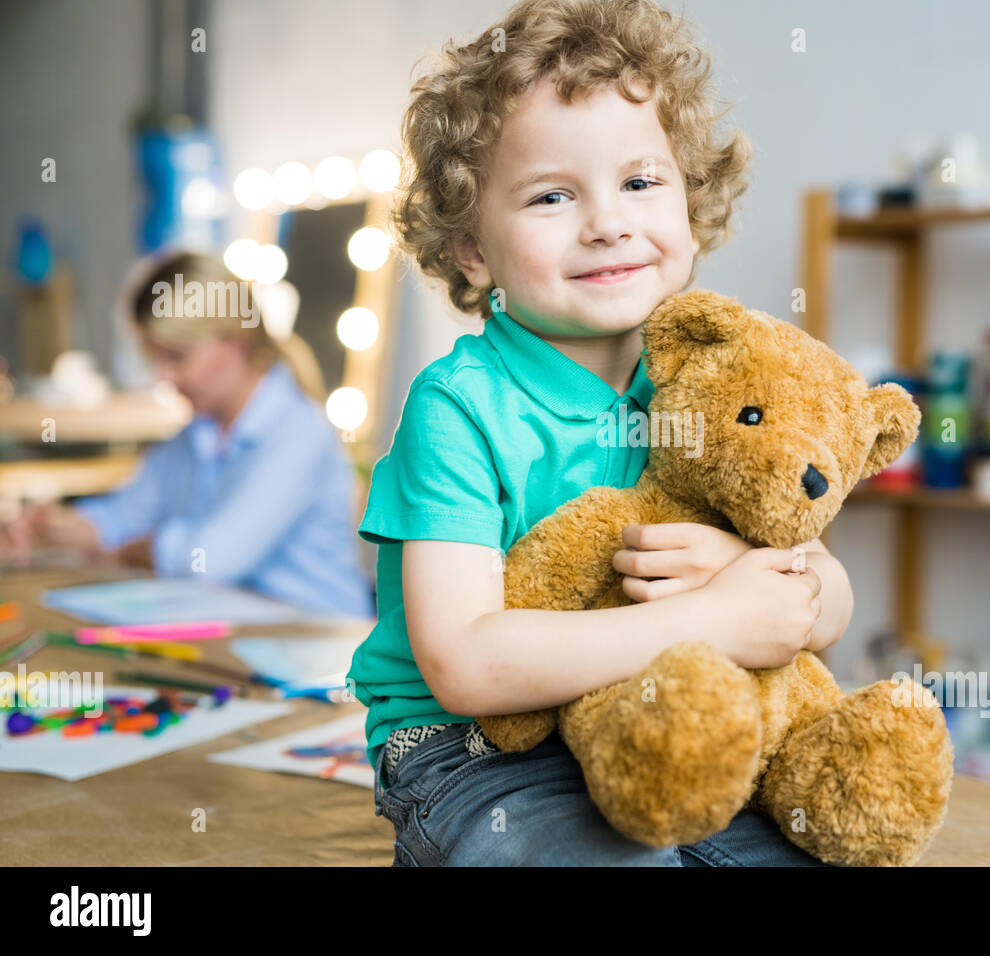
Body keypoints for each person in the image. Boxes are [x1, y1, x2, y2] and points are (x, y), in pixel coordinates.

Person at [353, 0, 855, 865]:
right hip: (481, 753)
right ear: (473, 248)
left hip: (674, 721)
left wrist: (752, 579)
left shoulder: (719, 378)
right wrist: (714, 620)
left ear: (689, 200)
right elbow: (467, 664)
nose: (608, 222)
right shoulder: (459, 407)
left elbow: (826, 595)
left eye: (640, 181)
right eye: (553, 195)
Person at [0, 251, 375, 620]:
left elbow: (209, 559)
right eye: (155, 359)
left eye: (176, 357)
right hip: (238, 641)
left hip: (323, 651)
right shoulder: (193, 435)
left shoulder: (299, 434)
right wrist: (50, 528)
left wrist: (128, 551)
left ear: (235, 341)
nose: (162, 377)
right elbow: (127, 513)